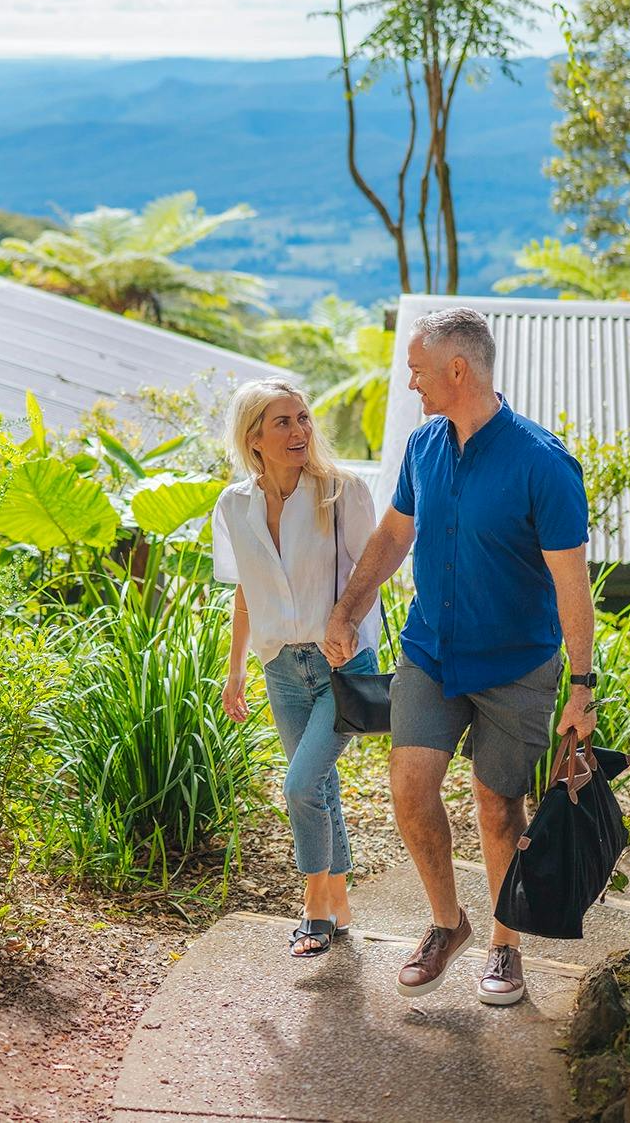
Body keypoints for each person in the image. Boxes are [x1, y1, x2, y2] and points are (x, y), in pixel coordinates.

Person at [323, 307, 596, 1008]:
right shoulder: (423, 447)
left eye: (417, 368)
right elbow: (391, 536)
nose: (409, 380)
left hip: (516, 667)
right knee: (411, 789)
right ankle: (450, 923)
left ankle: (506, 944)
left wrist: (582, 685)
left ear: (457, 369)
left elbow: (572, 585)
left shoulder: (544, 462)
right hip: (431, 656)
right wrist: (347, 609)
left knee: (499, 806)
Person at [214, 377, 384, 959]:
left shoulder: (342, 492)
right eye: (283, 422)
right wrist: (235, 671)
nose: (299, 431)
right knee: (320, 785)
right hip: (280, 668)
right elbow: (246, 592)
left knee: (300, 785)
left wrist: (345, 621)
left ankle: (313, 908)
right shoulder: (234, 505)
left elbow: (373, 569)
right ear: (253, 435)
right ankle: (339, 907)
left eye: (303, 418)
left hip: (342, 664)